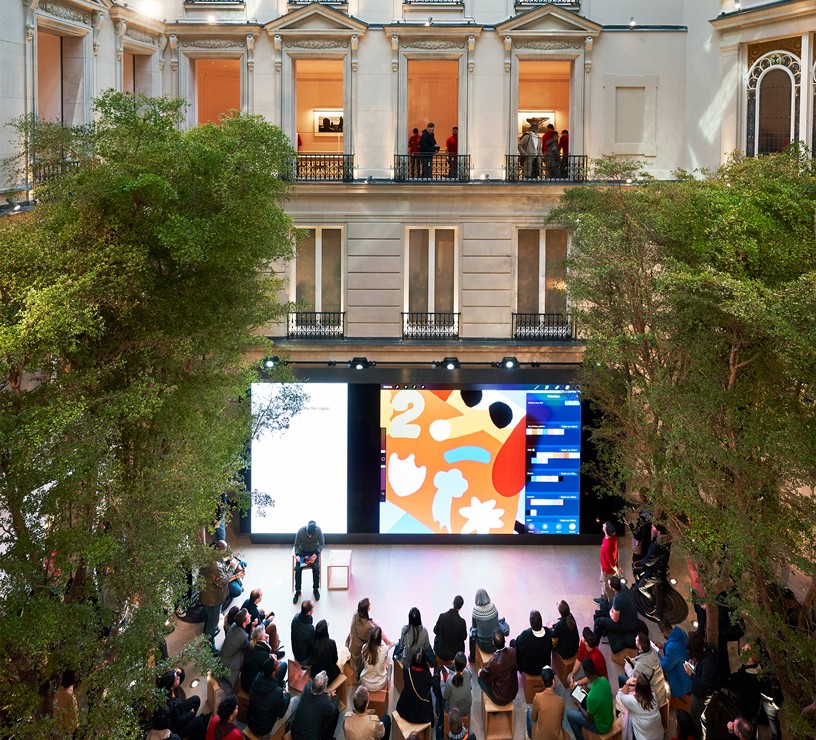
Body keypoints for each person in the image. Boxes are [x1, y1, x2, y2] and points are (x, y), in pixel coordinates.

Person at [247, 656, 297, 740]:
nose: (280, 664)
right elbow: (281, 711)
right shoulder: (276, 692)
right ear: (273, 673)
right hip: (263, 732)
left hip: (251, 722)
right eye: (278, 665)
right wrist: (287, 694)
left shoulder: (257, 677)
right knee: (296, 700)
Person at [566, 658, 614, 740]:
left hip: (601, 727)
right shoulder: (604, 680)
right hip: (609, 720)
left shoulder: (591, 697)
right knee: (584, 700)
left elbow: (589, 719)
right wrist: (587, 691)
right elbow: (598, 694)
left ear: (586, 673)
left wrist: (579, 705)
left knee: (570, 715)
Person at [686, 630, 719, 740]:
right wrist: (695, 662)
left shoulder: (708, 662)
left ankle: (698, 736)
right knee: (704, 714)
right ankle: (706, 736)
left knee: (694, 717)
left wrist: (691, 674)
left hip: (701, 695)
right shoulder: (709, 647)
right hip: (705, 694)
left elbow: (705, 682)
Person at [159, 667, 209, 739]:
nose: (178, 678)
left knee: (196, 699)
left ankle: (191, 724)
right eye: (176, 678)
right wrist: (191, 713)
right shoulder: (170, 704)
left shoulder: (171, 688)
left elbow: (181, 677)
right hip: (176, 727)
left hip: (178, 710)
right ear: (171, 686)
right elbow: (179, 720)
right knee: (199, 720)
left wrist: (179, 670)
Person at [620, 632, 667, 707]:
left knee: (621, 678)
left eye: (637, 640)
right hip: (661, 693)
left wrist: (627, 666)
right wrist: (634, 661)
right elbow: (646, 663)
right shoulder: (653, 651)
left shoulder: (640, 665)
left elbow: (633, 678)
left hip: (653, 699)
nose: (635, 639)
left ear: (640, 647)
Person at [634, 523, 671, 619]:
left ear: (658, 531)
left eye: (653, 526)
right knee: (658, 590)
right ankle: (658, 612)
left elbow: (649, 561)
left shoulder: (658, 544)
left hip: (654, 572)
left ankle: (652, 601)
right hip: (661, 570)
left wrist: (640, 563)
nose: (652, 527)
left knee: (641, 587)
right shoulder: (666, 540)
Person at [289, 670, 340, 740]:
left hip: (294, 731)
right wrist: (335, 697)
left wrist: (325, 697)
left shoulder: (307, 686)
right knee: (335, 713)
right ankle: (328, 738)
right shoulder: (323, 702)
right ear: (324, 688)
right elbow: (333, 709)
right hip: (308, 738)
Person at [594, 576, 639, 652]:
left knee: (599, 621)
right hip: (631, 618)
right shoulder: (623, 587)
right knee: (608, 604)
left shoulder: (618, 599)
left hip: (626, 626)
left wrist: (610, 612)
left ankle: (594, 645)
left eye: (609, 584)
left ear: (612, 588)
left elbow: (615, 619)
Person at [656, 619, 693, 711]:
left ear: (664, 632)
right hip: (689, 674)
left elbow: (665, 667)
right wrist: (663, 646)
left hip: (682, 683)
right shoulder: (681, 632)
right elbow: (677, 650)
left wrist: (655, 653)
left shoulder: (672, 648)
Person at [200, 541, 229, 649]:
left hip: (206, 595)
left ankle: (206, 636)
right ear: (221, 550)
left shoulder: (209, 555)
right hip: (213, 600)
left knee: (209, 619)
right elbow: (223, 581)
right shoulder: (215, 566)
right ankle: (209, 646)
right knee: (213, 623)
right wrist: (231, 567)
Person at [617, 672, 663, 740]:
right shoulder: (653, 694)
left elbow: (621, 695)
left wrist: (627, 683)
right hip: (658, 736)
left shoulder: (634, 702)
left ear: (637, 689)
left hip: (643, 737)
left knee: (623, 713)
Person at [477, 630, 518, 706]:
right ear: (505, 640)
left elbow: (485, 676)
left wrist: (480, 672)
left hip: (500, 698)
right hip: (513, 692)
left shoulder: (494, 662)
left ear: (493, 642)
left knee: (480, 678)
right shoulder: (513, 651)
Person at [242, 626, 287, 695]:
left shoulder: (250, 646)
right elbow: (270, 672)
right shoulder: (265, 655)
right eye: (265, 633)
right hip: (255, 688)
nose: (267, 634)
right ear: (263, 637)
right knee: (283, 665)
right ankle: (278, 687)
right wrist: (274, 660)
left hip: (244, 683)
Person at [396, 647, 435, 727]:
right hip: (422, 712)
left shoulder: (407, 671)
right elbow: (428, 687)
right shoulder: (427, 675)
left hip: (407, 709)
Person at [527, 666, 568, 740]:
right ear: (553, 681)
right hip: (557, 737)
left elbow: (533, 717)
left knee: (529, 710)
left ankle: (530, 737)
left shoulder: (537, 697)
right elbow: (561, 719)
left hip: (540, 737)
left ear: (542, 682)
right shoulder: (561, 700)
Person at [512, 609, 553, 679]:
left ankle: (518, 668)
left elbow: (517, 643)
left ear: (531, 622)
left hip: (530, 669)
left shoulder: (525, 635)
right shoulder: (548, 631)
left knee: (512, 643)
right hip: (545, 667)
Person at [470, 588, 509, 659]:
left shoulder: (475, 611)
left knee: (471, 631)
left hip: (483, 645)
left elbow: (474, 629)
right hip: (496, 643)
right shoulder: (493, 607)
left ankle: (472, 657)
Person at [220, 608, 250, 694]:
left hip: (223, 655)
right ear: (244, 623)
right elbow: (248, 646)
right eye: (248, 616)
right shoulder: (243, 636)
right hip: (229, 662)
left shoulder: (233, 625)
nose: (250, 616)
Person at [293, 520, 324, 603]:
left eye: (311, 535)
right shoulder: (300, 531)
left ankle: (315, 589)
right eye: (308, 534)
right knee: (298, 569)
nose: (310, 536)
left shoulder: (318, 531)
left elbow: (322, 543)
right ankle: (298, 591)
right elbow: (296, 545)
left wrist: (316, 553)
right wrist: (297, 555)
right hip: (302, 553)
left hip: (312, 553)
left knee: (316, 568)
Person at [347, 597, 378, 674]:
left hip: (352, 642)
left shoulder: (356, 614)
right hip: (358, 651)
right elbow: (373, 638)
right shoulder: (367, 627)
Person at [434, 595, 468, 663]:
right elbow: (464, 637)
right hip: (455, 654)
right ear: (461, 607)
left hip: (441, 652)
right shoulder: (462, 622)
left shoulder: (442, 616)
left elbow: (435, 631)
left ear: (453, 603)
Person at [359, 625, 391, 692]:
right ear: (380, 639)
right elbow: (385, 661)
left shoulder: (364, 647)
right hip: (380, 683)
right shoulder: (385, 649)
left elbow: (363, 661)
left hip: (365, 682)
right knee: (389, 665)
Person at [440, 652, 472, 718]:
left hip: (454, 711)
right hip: (467, 708)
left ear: (454, 662)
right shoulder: (468, 672)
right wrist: (451, 672)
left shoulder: (450, 680)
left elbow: (444, 696)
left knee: (442, 699)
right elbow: (461, 675)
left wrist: (442, 681)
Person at [309, 619, 341, 684]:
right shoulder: (331, 643)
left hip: (316, 674)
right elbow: (335, 659)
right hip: (329, 675)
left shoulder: (312, 642)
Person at [596, 521, 620, 602]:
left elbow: (611, 562)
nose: (603, 525)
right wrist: (618, 566)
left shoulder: (607, 545)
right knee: (602, 582)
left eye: (604, 526)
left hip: (607, 570)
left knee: (608, 588)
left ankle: (610, 605)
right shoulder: (613, 538)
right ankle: (603, 599)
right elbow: (616, 553)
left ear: (606, 531)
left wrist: (616, 568)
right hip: (604, 566)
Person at [54, 669, 79, 736]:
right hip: (67, 732)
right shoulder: (69, 696)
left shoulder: (55, 693)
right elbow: (73, 720)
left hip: (55, 730)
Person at [291, 599, 315, 666]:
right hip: (304, 660)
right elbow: (313, 645)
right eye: (313, 608)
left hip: (295, 652)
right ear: (309, 612)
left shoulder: (295, 617)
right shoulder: (310, 629)